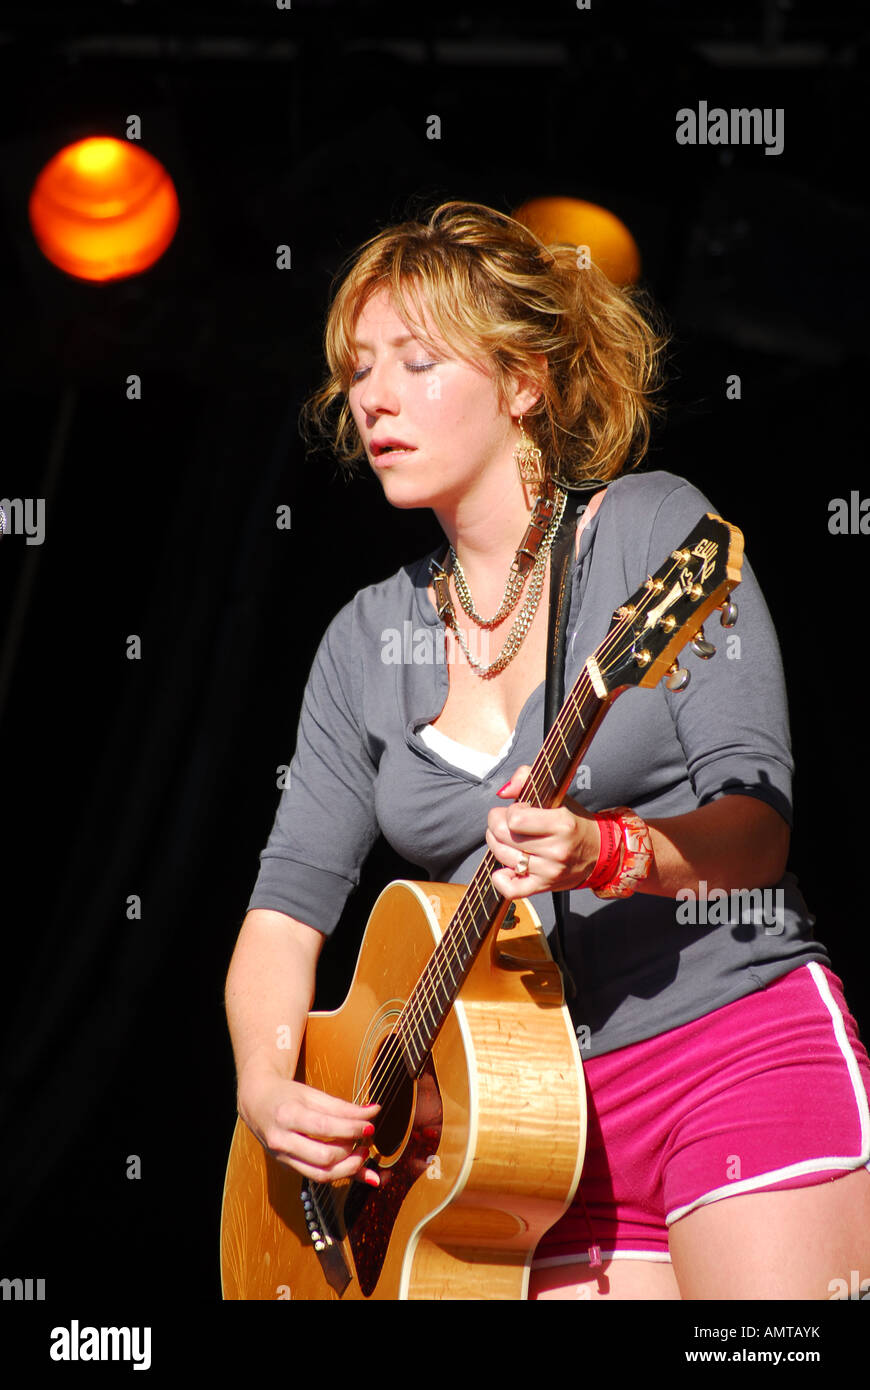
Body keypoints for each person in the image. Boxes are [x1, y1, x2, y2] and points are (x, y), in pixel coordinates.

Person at [225, 199, 870, 1300]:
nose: (372, 396)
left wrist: (605, 851)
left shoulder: (654, 532)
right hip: (522, 1131)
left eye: (416, 361)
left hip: (731, 1046)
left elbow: (756, 833)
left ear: (524, 383)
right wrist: (265, 1087)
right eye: (358, 369)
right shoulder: (360, 644)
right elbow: (284, 914)